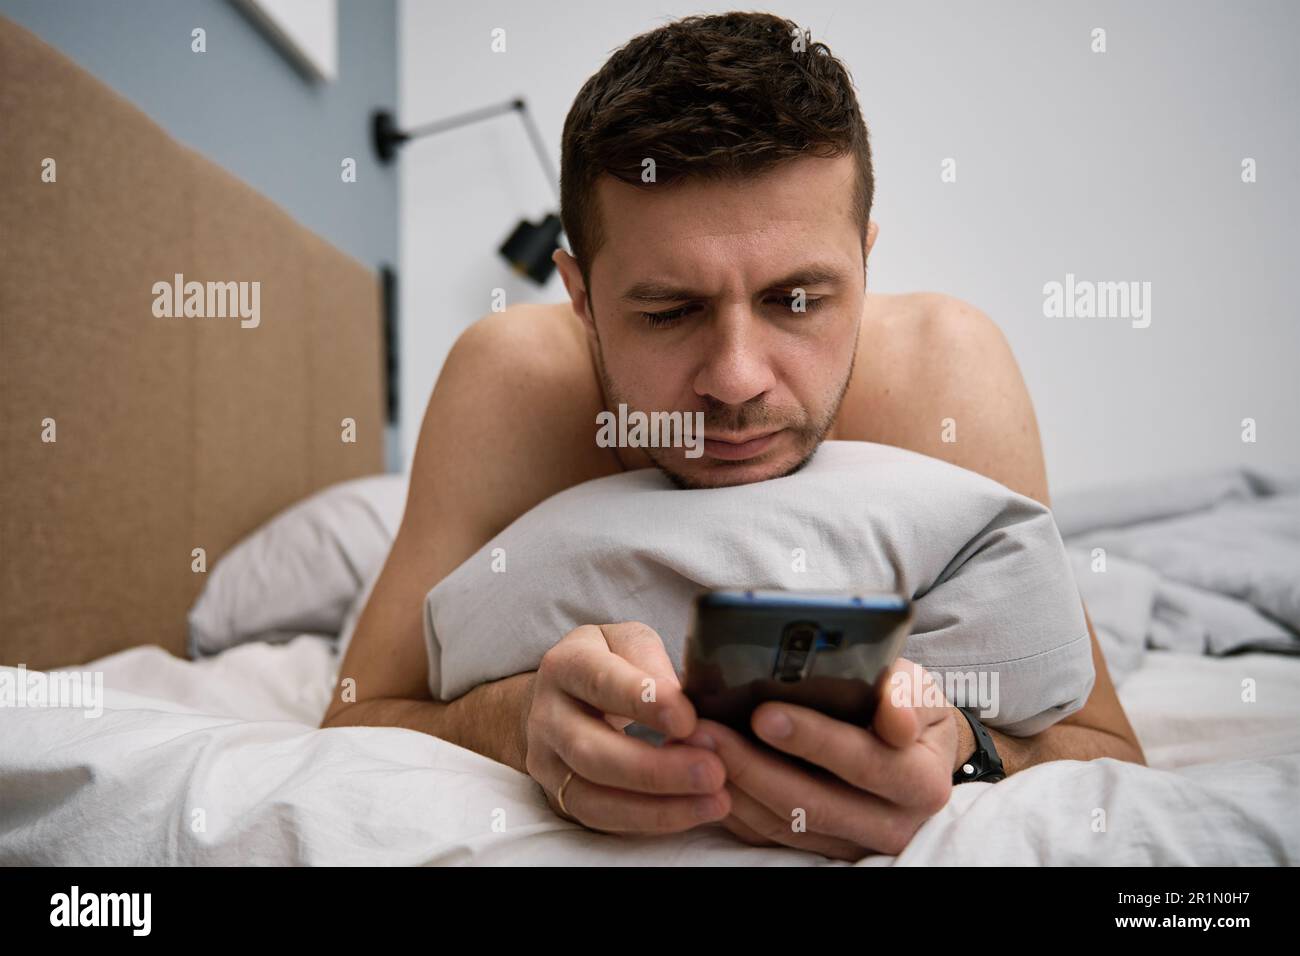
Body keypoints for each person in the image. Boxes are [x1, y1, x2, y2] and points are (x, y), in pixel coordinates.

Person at [322, 11, 1144, 860]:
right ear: (579, 294)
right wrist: (516, 716)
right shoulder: (509, 382)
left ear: (865, 261)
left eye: (798, 301)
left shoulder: (949, 369)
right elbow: (357, 711)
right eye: (669, 311)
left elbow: (1106, 745)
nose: (738, 378)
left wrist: (970, 749)